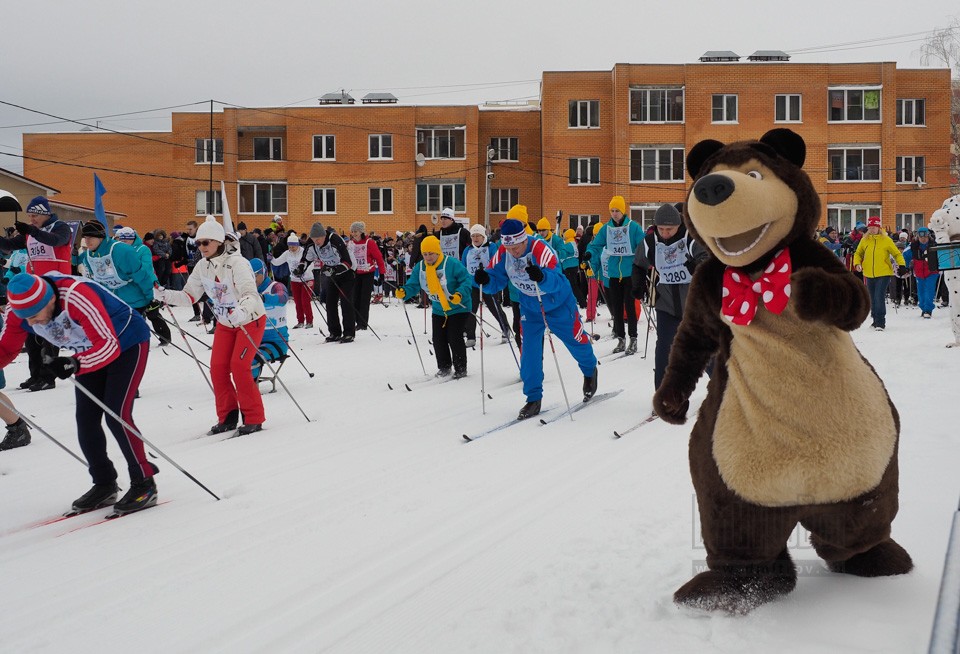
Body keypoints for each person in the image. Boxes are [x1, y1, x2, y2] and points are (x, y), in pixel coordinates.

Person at [0, 272, 158, 515]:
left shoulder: (76, 295)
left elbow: (108, 345)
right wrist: (75, 361)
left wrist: (74, 364)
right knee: (86, 420)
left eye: (34, 317)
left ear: (50, 301)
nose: (30, 324)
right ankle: (104, 483)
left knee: (116, 413)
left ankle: (144, 481)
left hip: (126, 342)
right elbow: (7, 347)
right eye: (25, 319)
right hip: (85, 351)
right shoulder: (19, 311)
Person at [475, 216, 598, 420]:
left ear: (524, 239)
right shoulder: (503, 253)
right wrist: (485, 280)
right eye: (510, 247)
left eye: (517, 246)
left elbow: (558, 280)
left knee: (576, 341)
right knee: (529, 352)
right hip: (530, 307)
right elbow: (494, 278)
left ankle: (589, 370)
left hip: (558, 302)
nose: (514, 252)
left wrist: (542, 277)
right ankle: (533, 397)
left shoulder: (541, 249)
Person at [157, 215, 267, 436]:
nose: (202, 247)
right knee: (217, 369)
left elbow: (250, 294)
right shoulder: (201, 266)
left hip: (249, 320)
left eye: (205, 242)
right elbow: (190, 296)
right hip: (226, 323)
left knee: (239, 366)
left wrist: (241, 311)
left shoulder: (238, 262)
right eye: (198, 243)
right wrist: (164, 295)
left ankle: (253, 417)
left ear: (218, 241)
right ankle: (227, 416)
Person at [631, 203, 708, 389]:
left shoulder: (690, 237)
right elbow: (638, 263)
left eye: (670, 229)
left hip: (693, 304)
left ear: (678, 225)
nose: (665, 233)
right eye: (661, 228)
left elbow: (707, 258)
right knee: (665, 349)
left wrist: (697, 266)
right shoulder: (649, 242)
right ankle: (662, 393)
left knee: (704, 348)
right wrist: (637, 283)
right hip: (666, 304)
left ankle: (723, 390)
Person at [0, 196, 73, 392]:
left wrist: (32, 230)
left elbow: (57, 241)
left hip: (57, 287)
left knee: (50, 333)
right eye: (29, 216)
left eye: (34, 215)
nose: (31, 219)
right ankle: (35, 375)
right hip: (36, 289)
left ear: (44, 214)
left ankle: (48, 376)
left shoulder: (61, 227)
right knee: (31, 333)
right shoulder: (30, 233)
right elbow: (9, 246)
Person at [396, 235, 472, 379]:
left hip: (458, 306)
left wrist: (459, 294)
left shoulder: (451, 263)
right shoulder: (420, 266)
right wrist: (404, 292)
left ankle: (461, 368)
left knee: (454, 337)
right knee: (438, 338)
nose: (428, 257)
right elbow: (414, 284)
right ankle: (444, 367)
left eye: (431, 253)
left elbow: (466, 280)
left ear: (438, 252)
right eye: (425, 254)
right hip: (438, 308)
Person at [587, 196, 645, 354]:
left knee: (630, 307)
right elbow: (596, 245)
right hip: (613, 274)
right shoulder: (606, 228)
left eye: (617, 211)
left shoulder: (633, 227)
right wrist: (588, 254)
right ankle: (621, 338)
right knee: (616, 309)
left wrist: (643, 262)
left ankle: (633, 339)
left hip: (629, 272)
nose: (614, 214)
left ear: (623, 211)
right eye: (612, 211)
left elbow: (642, 245)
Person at [109, 225, 172, 346]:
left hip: (147, 282)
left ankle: (165, 337)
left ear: (132, 239)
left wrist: (135, 275)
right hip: (130, 287)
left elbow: (147, 269)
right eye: (121, 240)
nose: (123, 242)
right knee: (134, 314)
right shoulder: (119, 250)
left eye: (126, 240)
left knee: (152, 313)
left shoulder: (142, 249)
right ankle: (137, 340)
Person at [295, 222, 355, 342]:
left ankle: (349, 333)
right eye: (314, 239)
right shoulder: (311, 243)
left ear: (324, 236)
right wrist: (301, 268)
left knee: (345, 302)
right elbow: (306, 259)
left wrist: (335, 269)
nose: (316, 242)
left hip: (347, 271)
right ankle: (334, 332)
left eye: (318, 239)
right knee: (330, 302)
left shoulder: (335, 239)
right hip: (330, 272)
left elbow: (347, 261)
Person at [461, 224, 510, 345]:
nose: (476, 238)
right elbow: (463, 267)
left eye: (478, 235)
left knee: (495, 307)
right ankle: (471, 336)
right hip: (473, 284)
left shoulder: (491, 247)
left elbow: (497, 263)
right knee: (471, 309)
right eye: (473, 236)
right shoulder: (467, 250)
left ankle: (505, 329)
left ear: (484, 236)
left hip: (489, 283)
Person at [854, 215, 905, 331]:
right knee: (872, 297)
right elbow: (858, 253)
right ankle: (875, 319)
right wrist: (857, 264)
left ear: (878, 227)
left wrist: (902, 265)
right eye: (870, 227)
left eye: (874, 227)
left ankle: (880, 322)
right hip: (868, 273)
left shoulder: (886, 240)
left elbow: (897, 253)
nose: (872, 229)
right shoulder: (865, 239)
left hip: (884, 273)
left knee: (879, 296)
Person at [250, 258, 289, 379]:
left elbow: (283, 298)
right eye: (250, 275)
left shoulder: (275, 286)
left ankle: (250, 387)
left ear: (264, 272)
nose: (254, 279)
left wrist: (264, 298)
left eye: (257, 275)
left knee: (251, 359)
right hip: (253, 339)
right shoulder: (247, 291)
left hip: (276, 341)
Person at [346, 221, 386, 332]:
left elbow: (378, 257)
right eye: (353, 231)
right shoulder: (351, 243)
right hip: (355, 273)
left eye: (356, 231)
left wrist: (382, 272)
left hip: (368, 273)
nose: (354, 234)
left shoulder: (370, 242)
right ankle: (355, 320)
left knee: (364, 298)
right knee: (355, 298)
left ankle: (362, 323)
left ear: (361, 231)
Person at [272, 233, 313, 328]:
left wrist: (303, 271)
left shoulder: (304, 252)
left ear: (297, 245)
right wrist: (272, 259)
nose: (291, 248)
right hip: (294, 280)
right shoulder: (287, 253)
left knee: (305, 301)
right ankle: (300, 321)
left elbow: (311, 265)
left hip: (307, 279)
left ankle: (309, 321)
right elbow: (277, 262)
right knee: (298, 302)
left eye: (293, 246)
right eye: (290, 246)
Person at [904, 227, 940, 318]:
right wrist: (906, 267)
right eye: (921, 237)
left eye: (925, 237)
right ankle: (923, 308)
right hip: (919, 272)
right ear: (917, 237)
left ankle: (928, 309)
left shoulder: (934, 245)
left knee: (929, 289)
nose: (923, 239)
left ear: (928, 236)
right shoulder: (913, 246)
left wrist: (942, 266)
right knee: (920, 291)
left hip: (932, 271)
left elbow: (942, 255)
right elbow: (905, 255)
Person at [559, 228, 586, 307]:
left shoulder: (568, 244)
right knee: (574, 285)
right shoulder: (573, 243)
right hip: (573, 266)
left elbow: (562, 253)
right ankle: (581, 301)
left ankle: (582, 302)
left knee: (573, 286)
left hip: (569, 267)